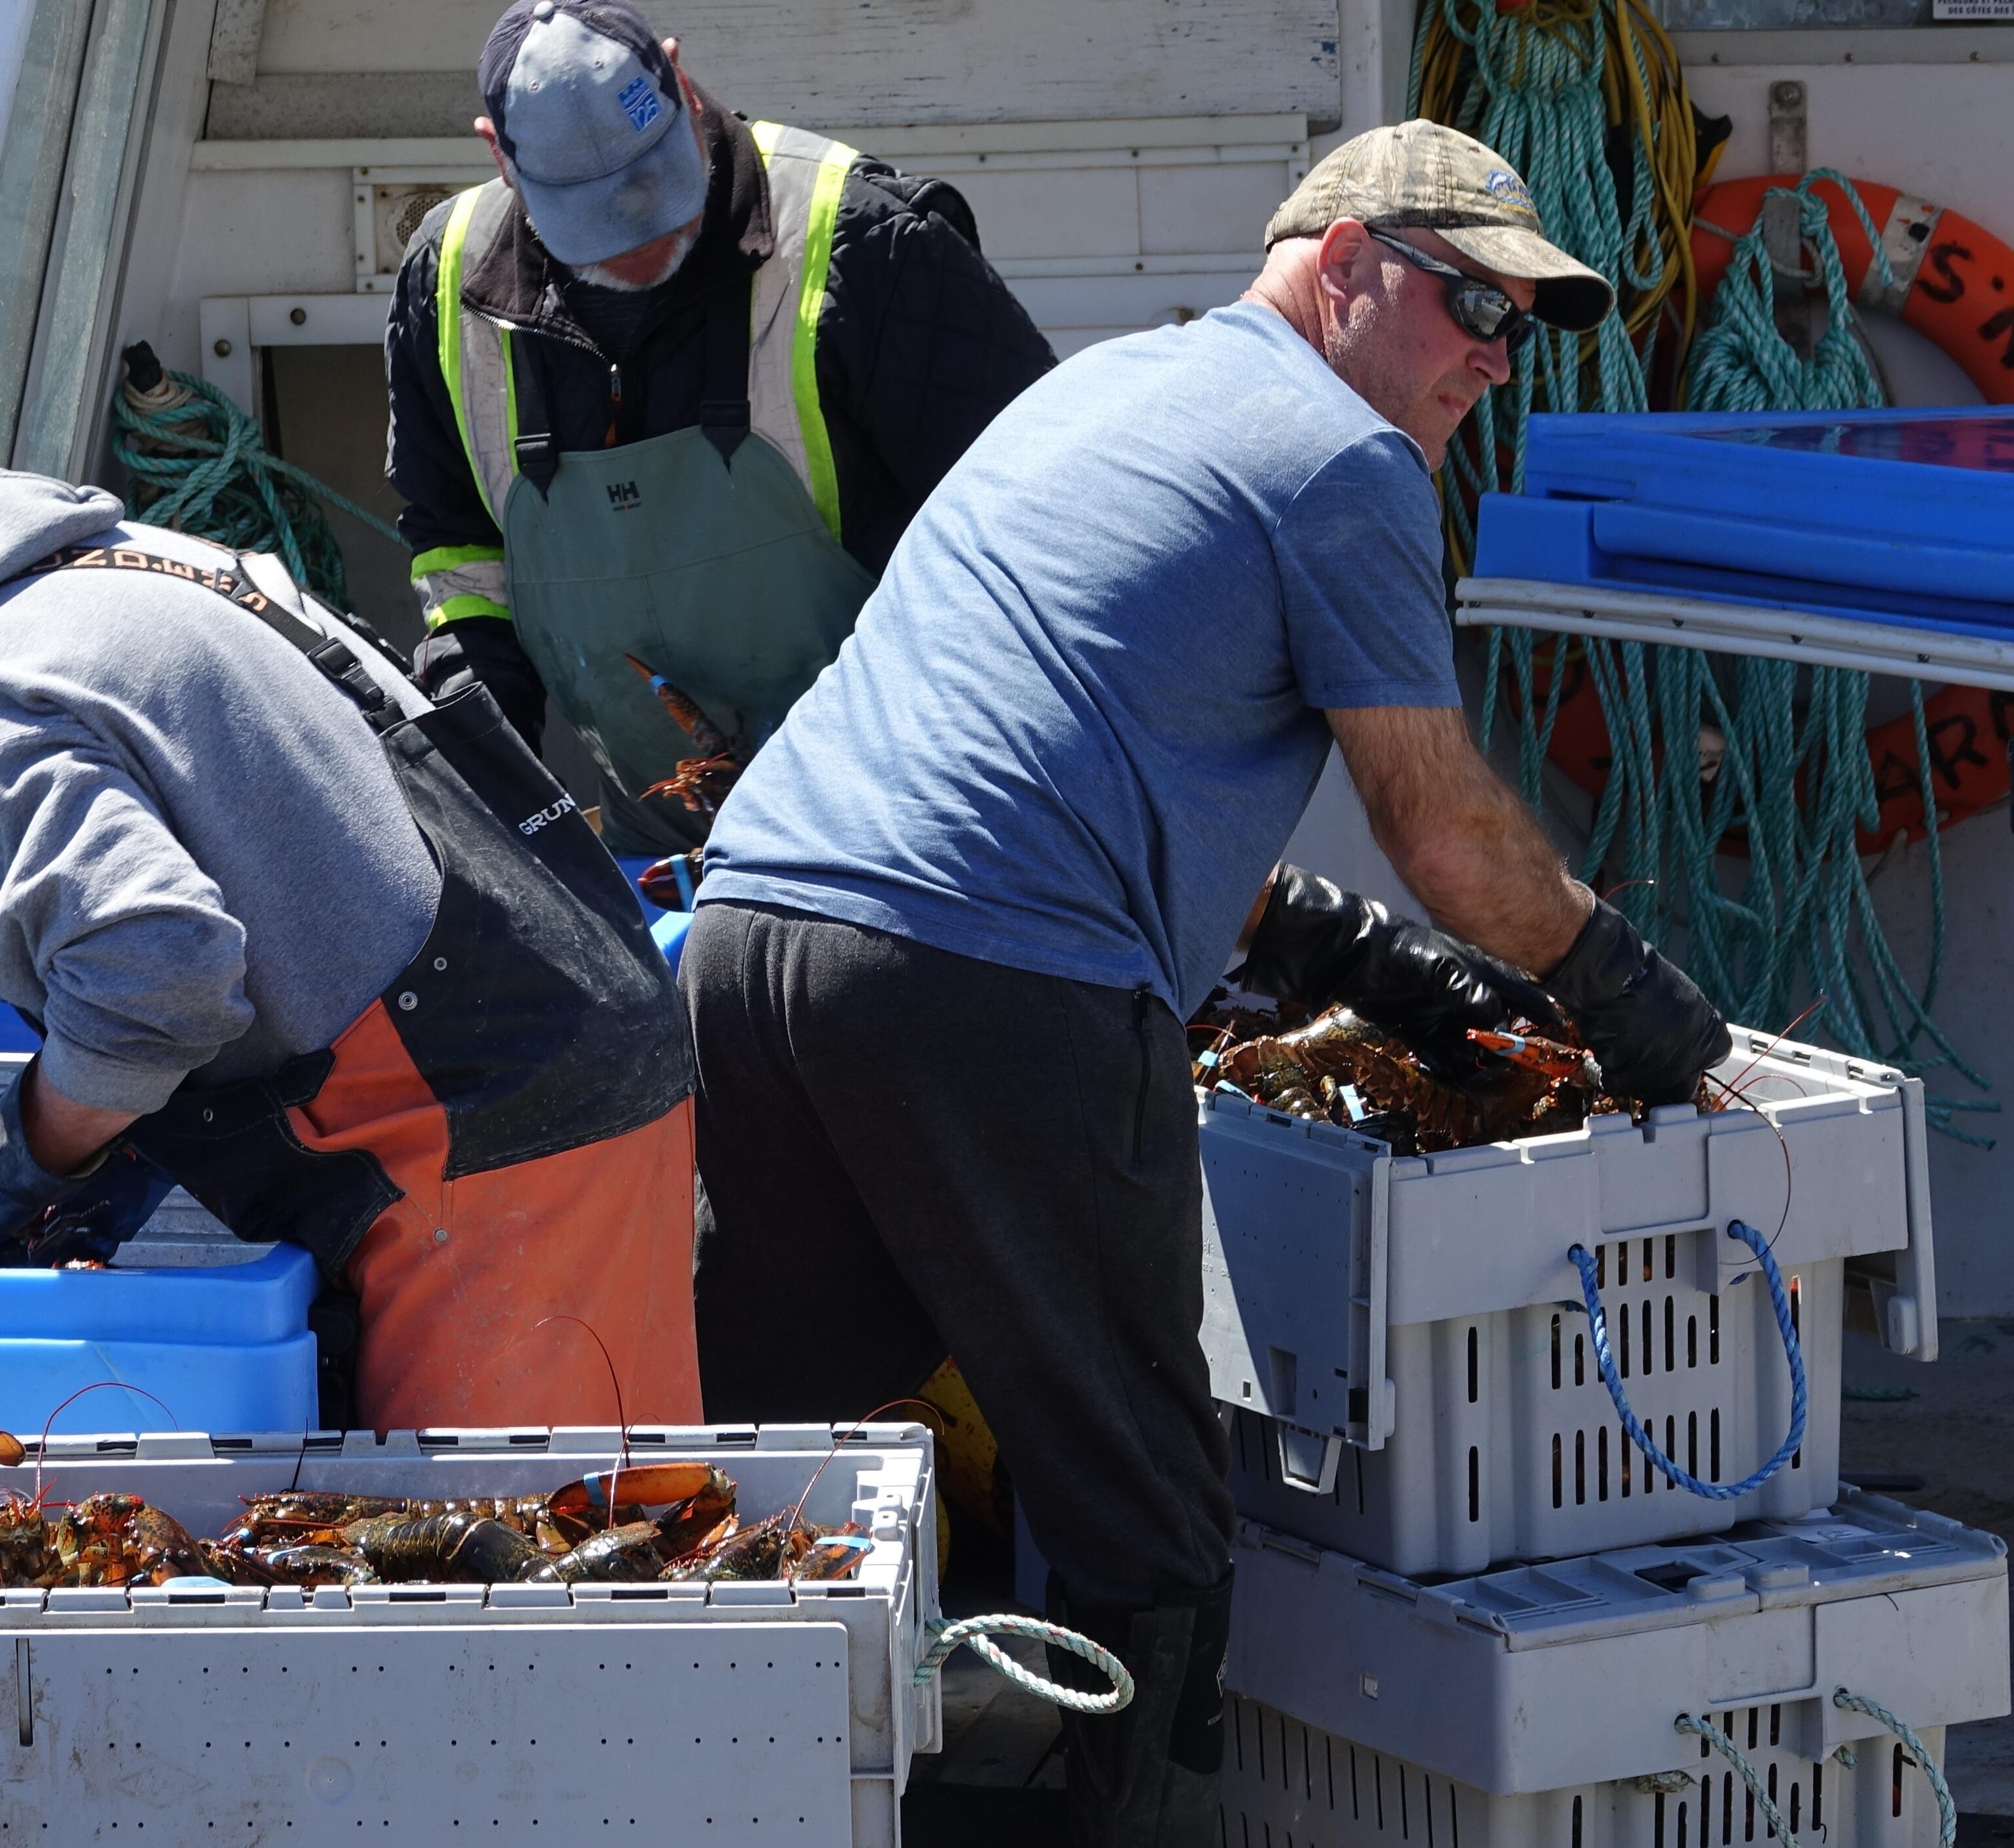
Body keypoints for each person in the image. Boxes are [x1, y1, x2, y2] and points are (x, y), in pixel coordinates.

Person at [679, 122, 1732, 1845]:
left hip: (762, 931)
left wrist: (1317, 941)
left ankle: (712, 1802)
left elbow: (1055, 737)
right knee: (1144, 1514)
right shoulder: (1348, 459)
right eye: (1468, 297)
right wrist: (1634, 998)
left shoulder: (1104, 392)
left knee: (787, 1431)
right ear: (1341, 266)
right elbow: (1449, 833)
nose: (1491, 349)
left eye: (1521, 322)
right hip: (987, 971)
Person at [0, 460, 702, 1431]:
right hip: (593, 1030)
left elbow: (161, 973)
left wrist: (25, 1148)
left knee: (516, 1637)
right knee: (638, 1568)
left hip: (495, 1157)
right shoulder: (115, 558)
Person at [386, 0, 1055, 868]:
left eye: (654, 187)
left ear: (681, 80)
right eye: (596, 216)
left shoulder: (868, 245)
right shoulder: (446, 280)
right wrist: (494, 816)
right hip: (659, 854)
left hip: (908, 845)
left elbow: (1041, 553)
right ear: (498, 155)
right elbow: (459, 559)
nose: (635, 241)